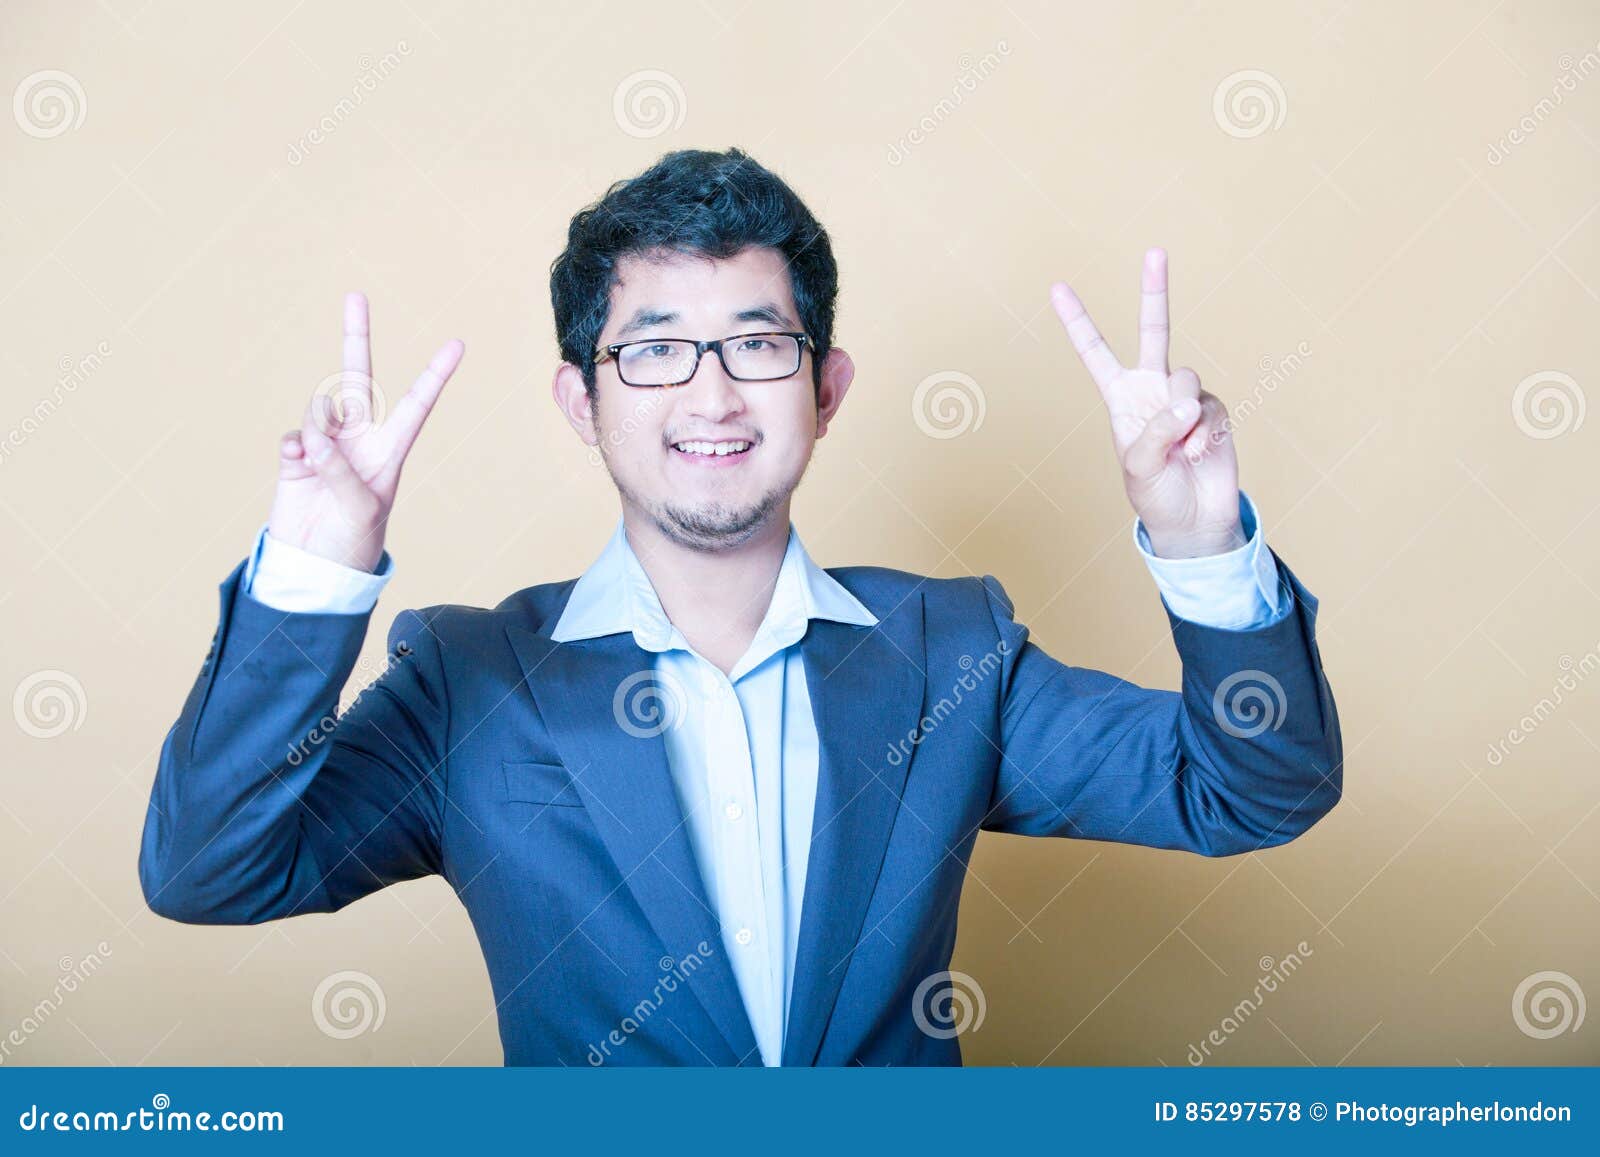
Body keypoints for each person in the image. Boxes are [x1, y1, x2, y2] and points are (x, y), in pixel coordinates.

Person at [137, 147, 1342, 1066]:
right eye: (655, 349)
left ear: (825, 390)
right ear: (580, 398)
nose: (711, 394)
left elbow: (1251, 787)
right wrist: (314, 571)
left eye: (756, 346)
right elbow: (209, 869)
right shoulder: (471, 681)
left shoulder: (949, 650)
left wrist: (1199, 539)